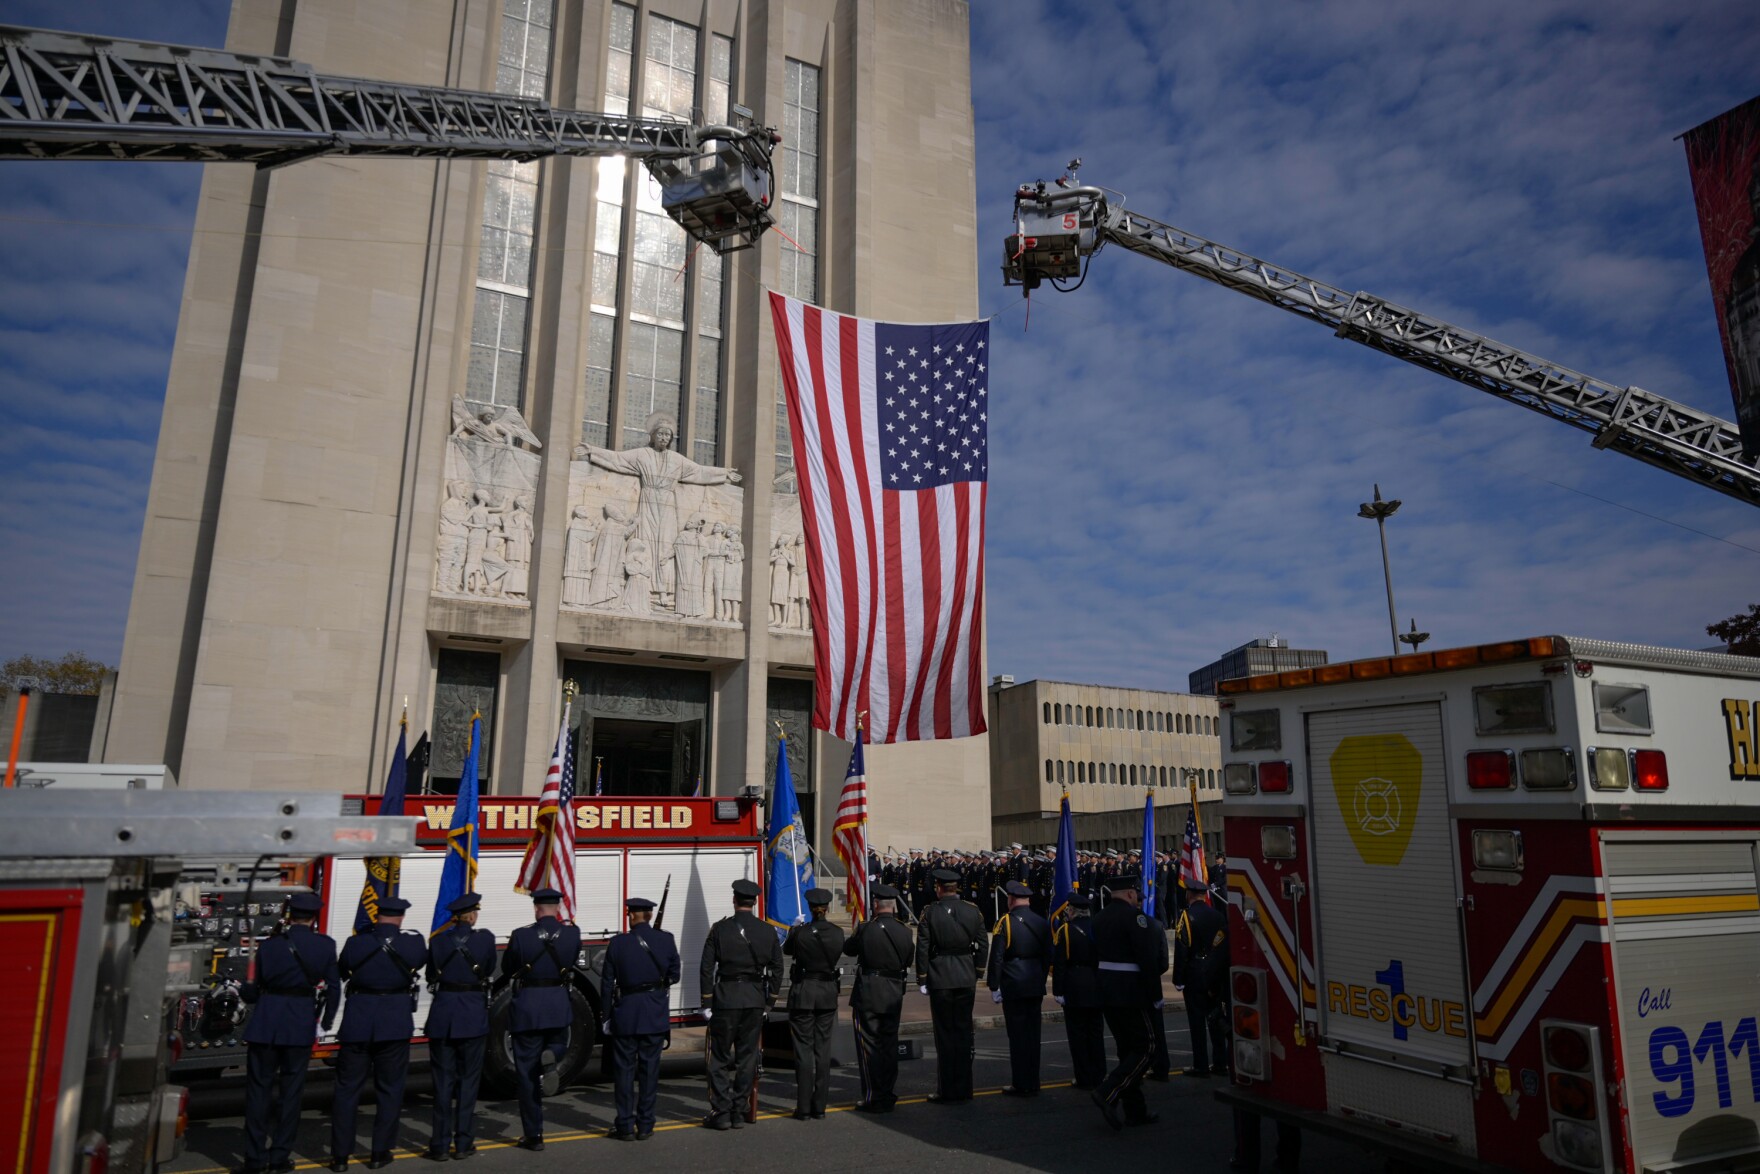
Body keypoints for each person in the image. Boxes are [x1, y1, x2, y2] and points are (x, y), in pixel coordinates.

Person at [235, 892, 339, 1174]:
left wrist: (246, 990)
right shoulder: (325, 946)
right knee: (291, 1095)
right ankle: (279, 1157)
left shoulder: (269, 946)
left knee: (258, 1094)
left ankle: (254, 1160)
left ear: (290, 915)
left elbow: (252, 991)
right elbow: (333, 988)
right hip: (300, 1024)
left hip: (267, 1024)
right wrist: (326, 1021)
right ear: (314, 917)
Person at [330, 896, 428, 1171]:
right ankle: (379, 1152)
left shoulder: (355, 943)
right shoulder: (413, 943)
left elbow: (343, 970)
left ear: (377, 916)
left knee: (347, 1091)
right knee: (390, 1090)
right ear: (401, 917)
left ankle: (339, 1157)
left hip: (358, 1021)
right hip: (394, 1022)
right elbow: (419, 964)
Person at [498, 888, 582, 1151]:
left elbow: (508, 968)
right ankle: (552, 1056)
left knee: (526, 1074)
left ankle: (534, 1135)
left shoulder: (521, 935)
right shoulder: (572, 934)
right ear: (557, 908)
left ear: (536, 908)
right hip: (557, 1004)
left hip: (528, 1008)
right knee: (559, 1044)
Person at [699, 878, 781, 1129]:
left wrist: (706, 1001)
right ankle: (738, 1109)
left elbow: (706, 968)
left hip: (725, 998)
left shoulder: (720, 929)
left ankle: (721, 1110)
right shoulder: (767, 931)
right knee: (747, 1058)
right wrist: (769, 1002)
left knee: (719, 1057)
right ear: (754, 902)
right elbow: (778, 968)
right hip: (755, 999)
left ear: (734, 900)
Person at [423, 893, 497, 1161]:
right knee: (468, 1083)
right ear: (473, 915)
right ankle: (463, 1142)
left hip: (443, 1015)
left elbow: (431, 974)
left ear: (455, 917)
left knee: (442, 1084)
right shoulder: (485, 939)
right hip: (472, 1016)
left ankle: (440, 1145)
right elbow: (489, 967)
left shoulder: (438, 941)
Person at [1091, 876, 1167, 1130]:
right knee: (1148, 1047)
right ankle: (1108, 1091)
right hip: (1132, 992)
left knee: (1127, 1049)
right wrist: (1155, 995)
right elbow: (1146, 960)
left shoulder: (1099, 918)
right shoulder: (1136, 918)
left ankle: (1136, 1109)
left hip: (1107, 991)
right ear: (1131, 894)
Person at [601, 896, 680, 1142]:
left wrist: (606, 1016)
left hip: (626, 1014)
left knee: (624, 1073)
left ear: (634, 915)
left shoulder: (617, 943)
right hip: (653, 1013)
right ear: (649, 914)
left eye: (629, 914)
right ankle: (645, 1124)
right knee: (649, 1072)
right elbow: (674, 975)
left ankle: (624, 1125)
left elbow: (607, 983)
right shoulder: (666, 939)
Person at [914, 866, 989, 1104]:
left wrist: (923, 977)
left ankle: (947, 1090)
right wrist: (977, 970)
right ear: (956, 888)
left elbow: (923, 947)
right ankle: (964, 1088)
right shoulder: (972, 911)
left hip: (941, 976)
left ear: (939, 888)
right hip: (966, 974)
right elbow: (983, 944)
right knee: (963, 1032)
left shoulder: (930, 912)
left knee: (945, 1035)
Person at [843, 884, 915, 1113]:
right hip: (893, 990)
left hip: (869, 990)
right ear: (893, 906)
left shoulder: (866, 928)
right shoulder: (905, 931)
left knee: (869, 1046)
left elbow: (849, 949)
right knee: (889, 1044)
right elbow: (908, 959)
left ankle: (873, 1096)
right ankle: (887, 1093)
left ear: (875, 904)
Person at [784, 887, 846, 1119]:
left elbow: (788, 950)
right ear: (828, 908)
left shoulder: (802, 932)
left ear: (810, 909)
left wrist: (794, 928)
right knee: (822, 1051)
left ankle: (803, 1107)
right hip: (827, 993)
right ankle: (819, 1105)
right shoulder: (838, 933)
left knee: (803, 1052)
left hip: (804, 992)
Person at [987, 879, 1052, 1096]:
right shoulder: (1042, 921)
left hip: (1013, 983)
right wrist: (1040, 978)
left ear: (1011, 900)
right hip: (1034, 982)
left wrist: (994, 985)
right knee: (1033, 1035)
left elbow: (997, 957)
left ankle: (1021, 1082)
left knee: (1017, 1036)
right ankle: (1033, 1081)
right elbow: (1047, 957)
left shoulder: (1005, 922)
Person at [1051, 892, 1106, 1090]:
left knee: (1078, 1035)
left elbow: (1060, 963)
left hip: (1074, 984)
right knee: (1095, 1033)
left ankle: (1084, 1077)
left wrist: (1058, 990)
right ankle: (1099, 1074)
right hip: (1096, 982)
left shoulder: (1066, 930)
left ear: (1072, 911)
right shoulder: (1097, 928)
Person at [1174, 887, 1229, 1077]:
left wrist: (1178, 979)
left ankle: (1201, 1065)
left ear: (1189, 895)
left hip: (1195, 971)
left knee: (1197, 1021)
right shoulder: (1217, 915)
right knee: (1215, 1017)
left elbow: (1182, 948)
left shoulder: (1186, 917)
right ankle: (1221, 1062)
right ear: (1204, 895)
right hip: (1215, 971)